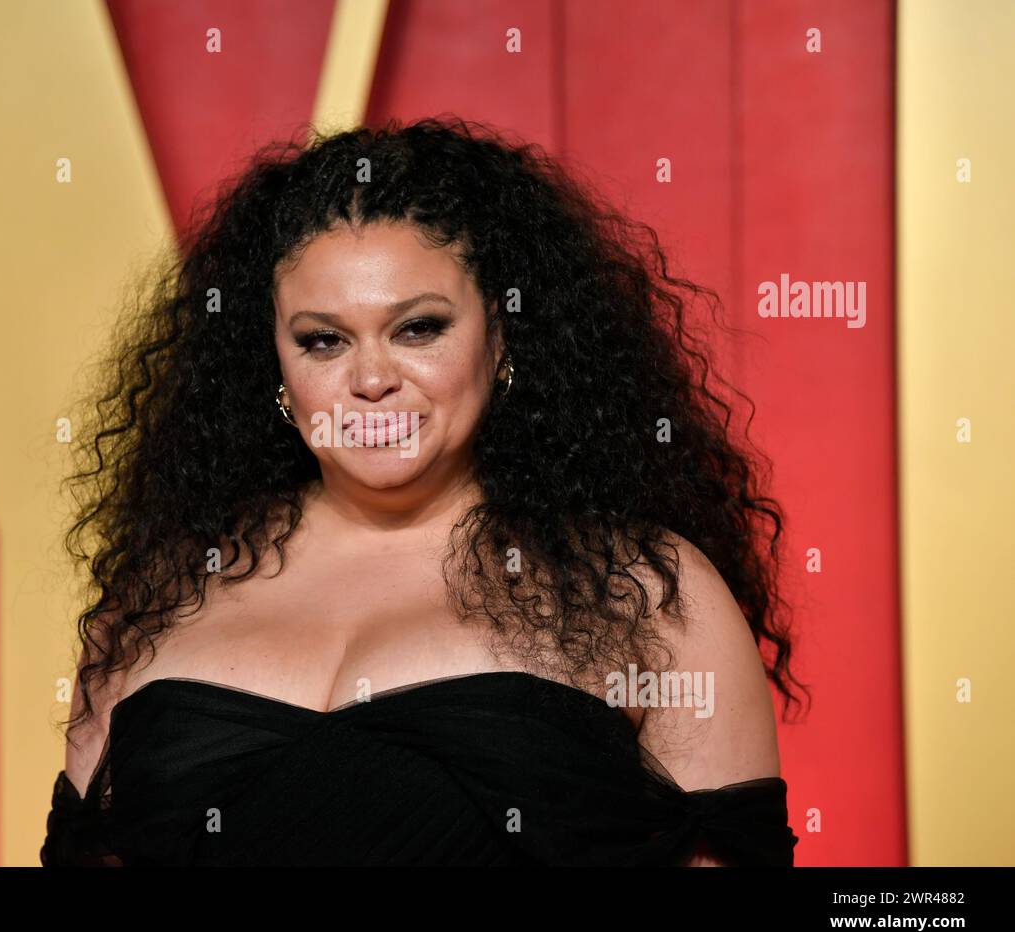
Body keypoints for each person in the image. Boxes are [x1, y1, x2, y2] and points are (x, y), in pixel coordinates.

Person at [42, 116, 805, 866]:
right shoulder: (159, 597)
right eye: (323, 340)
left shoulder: (648, 594)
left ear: (500, 338)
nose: (371, 380)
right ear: (272, 365)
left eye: (418, 329)